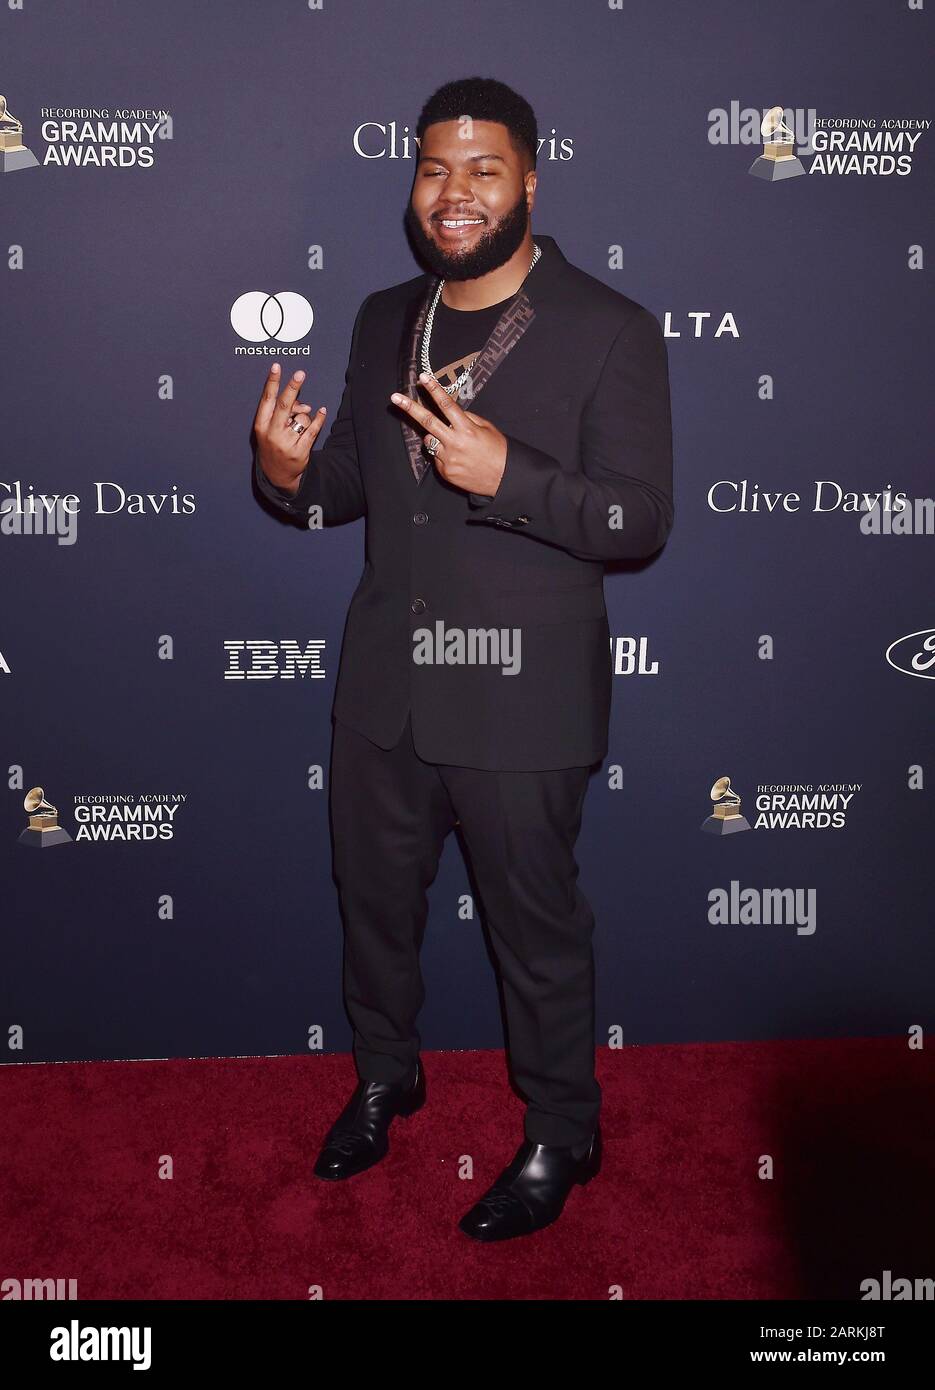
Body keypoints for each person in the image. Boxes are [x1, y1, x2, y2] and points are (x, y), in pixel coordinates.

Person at [253, 76, 673, 1242]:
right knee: (373, 910)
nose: (454, 192)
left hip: (522, 702)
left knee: (533, 932)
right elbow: (346, 491)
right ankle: (387, 1076)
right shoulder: (384, 316)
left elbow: (639, 521)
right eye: (435, 167)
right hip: (385, 690)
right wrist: (286, 473)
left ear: (529, 179)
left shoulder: (608, 328)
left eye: (483, 168)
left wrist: (515, 479)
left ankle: (559, 1131)